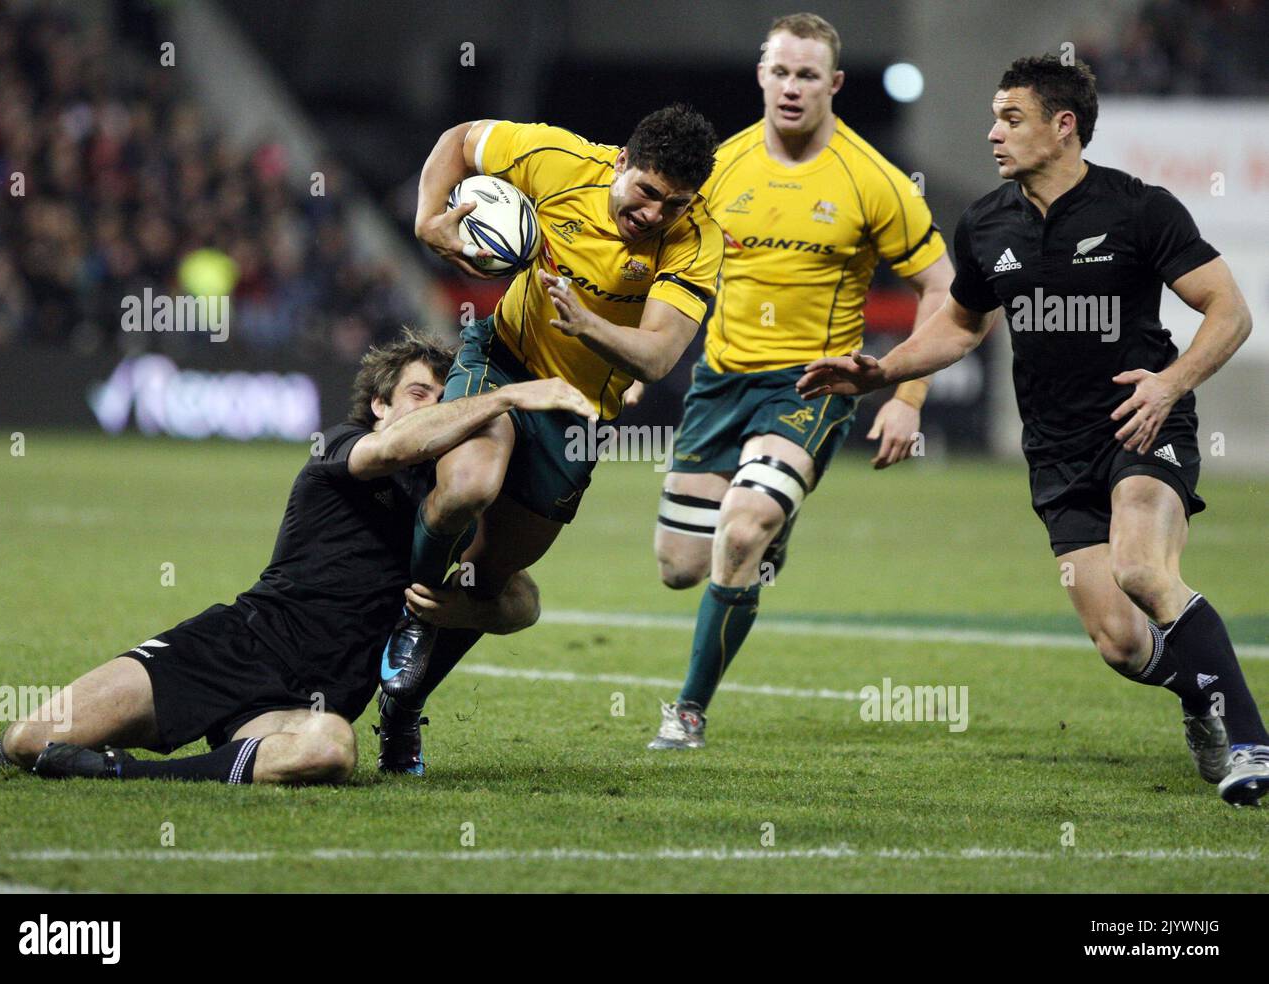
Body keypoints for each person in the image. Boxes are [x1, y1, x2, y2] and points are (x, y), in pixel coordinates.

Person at [797, 55, 1268, 806]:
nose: (993, 133)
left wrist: (1171, 384)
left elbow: (1230, 310)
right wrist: (883, 375)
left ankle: (1251, 741)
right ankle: (1201, 694)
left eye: (1010, 118)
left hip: (1143, 420)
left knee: (1143, 571)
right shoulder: (986, 224)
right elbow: (959, 324)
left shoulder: (1139, 209)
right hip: (1056, 446)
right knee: (1118, 641)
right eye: (993, 117)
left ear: (1063, 126)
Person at [0, 334, 594, 784]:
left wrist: (464, 608)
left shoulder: (449, 512)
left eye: (442, 396)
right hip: (232, 648)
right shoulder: (345, 451)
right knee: (28, 740)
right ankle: (14, 753)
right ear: (380, 404)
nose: (432, 408)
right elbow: (395, 447)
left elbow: (523, 601)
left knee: (332, 749)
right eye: (418, 394)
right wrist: (505, 398)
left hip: (309, 705)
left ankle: (121, 774)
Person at [645, 13, 953, 749]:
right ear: (760, 75)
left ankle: (688, 711)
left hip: (810, 385)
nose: (791, 87)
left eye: (808, 74)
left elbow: (944, 290)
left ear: (834, 84)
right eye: (780, 71)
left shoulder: (873, 180)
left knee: (742, 527)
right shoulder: (719, 169)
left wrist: (907, 396)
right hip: (720, 382)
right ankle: (773, 518)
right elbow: (671, 268)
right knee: (679, 568)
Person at [380, 105, 724, 703]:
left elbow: (658, 357)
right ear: (621, 162)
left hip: (579, 411)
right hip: (504, 357)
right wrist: (426, 220)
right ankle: (411, 613)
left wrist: (586, 324)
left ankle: (406, 705)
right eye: (647, 193)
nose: (654, 215)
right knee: (467, 487)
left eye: (675, 204)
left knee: (488, 584)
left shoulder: (695, 241)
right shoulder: (559, 161)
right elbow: (460, 140)